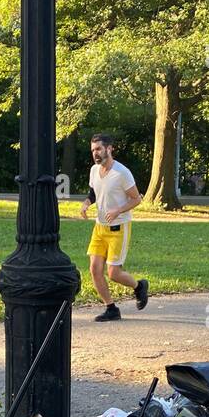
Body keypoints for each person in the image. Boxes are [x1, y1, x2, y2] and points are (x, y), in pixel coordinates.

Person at [79, 133, 149, 322]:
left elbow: (136, 199)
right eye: (93, 150)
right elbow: (93, 193)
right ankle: (111, 308)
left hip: (119, 228)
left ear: (109, 149)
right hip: (99, 227)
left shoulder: (122, 173)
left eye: (99, 149)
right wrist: (86, 203)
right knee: (94, 269)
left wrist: (118, 210)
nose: (95, 153)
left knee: (113, 273)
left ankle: (139, 286)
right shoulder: (94, 170)